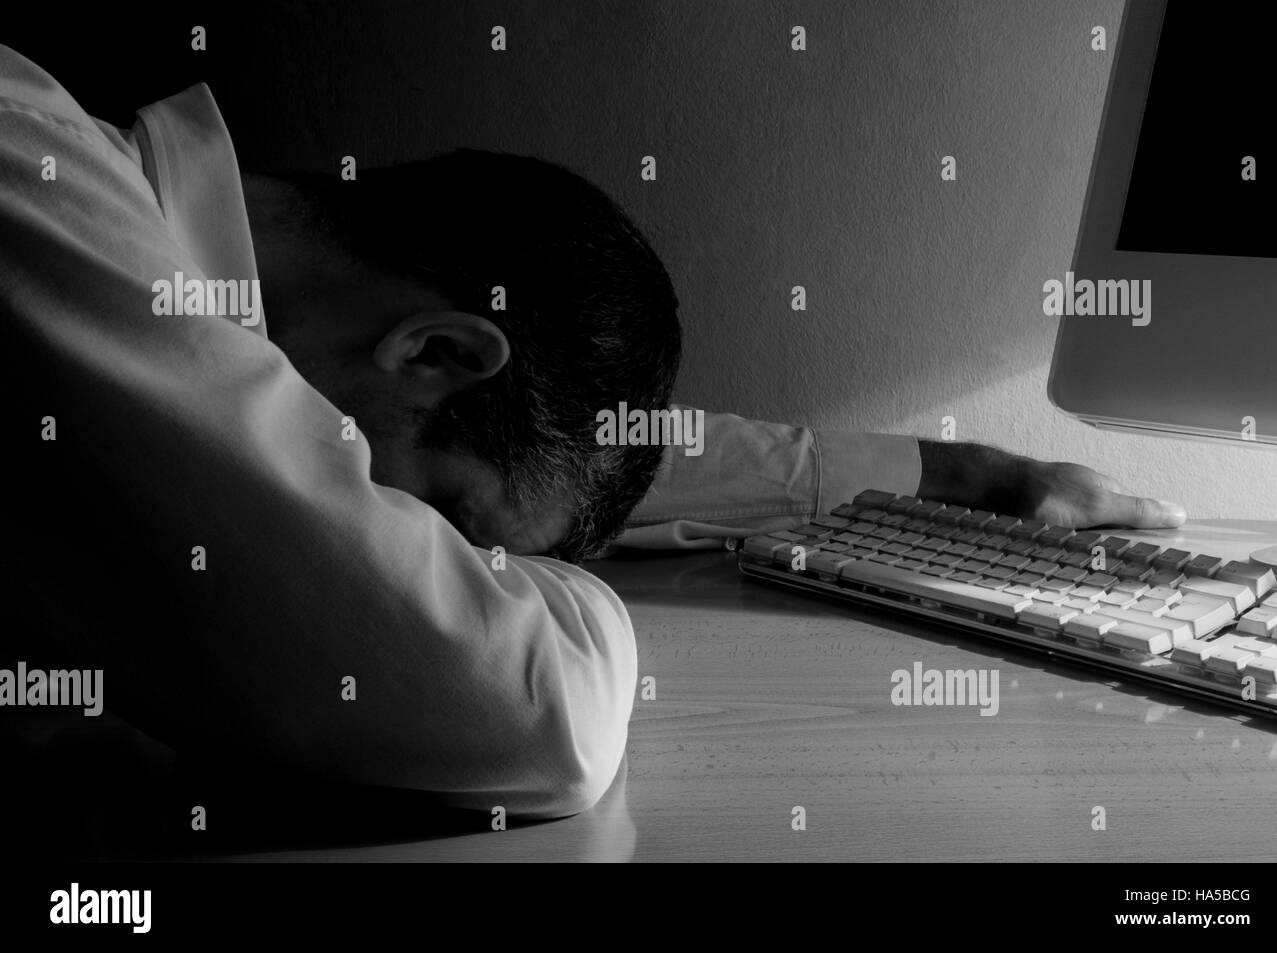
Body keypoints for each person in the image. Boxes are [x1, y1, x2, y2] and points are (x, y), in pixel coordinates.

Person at [0, 46, 1184, 819]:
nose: (438, 558)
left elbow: (590, 449)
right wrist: (573, 595)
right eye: (455, 534)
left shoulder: (122, 273)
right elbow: (531, 708)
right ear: (437, 351)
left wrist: (956, 476)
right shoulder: (34, 183)